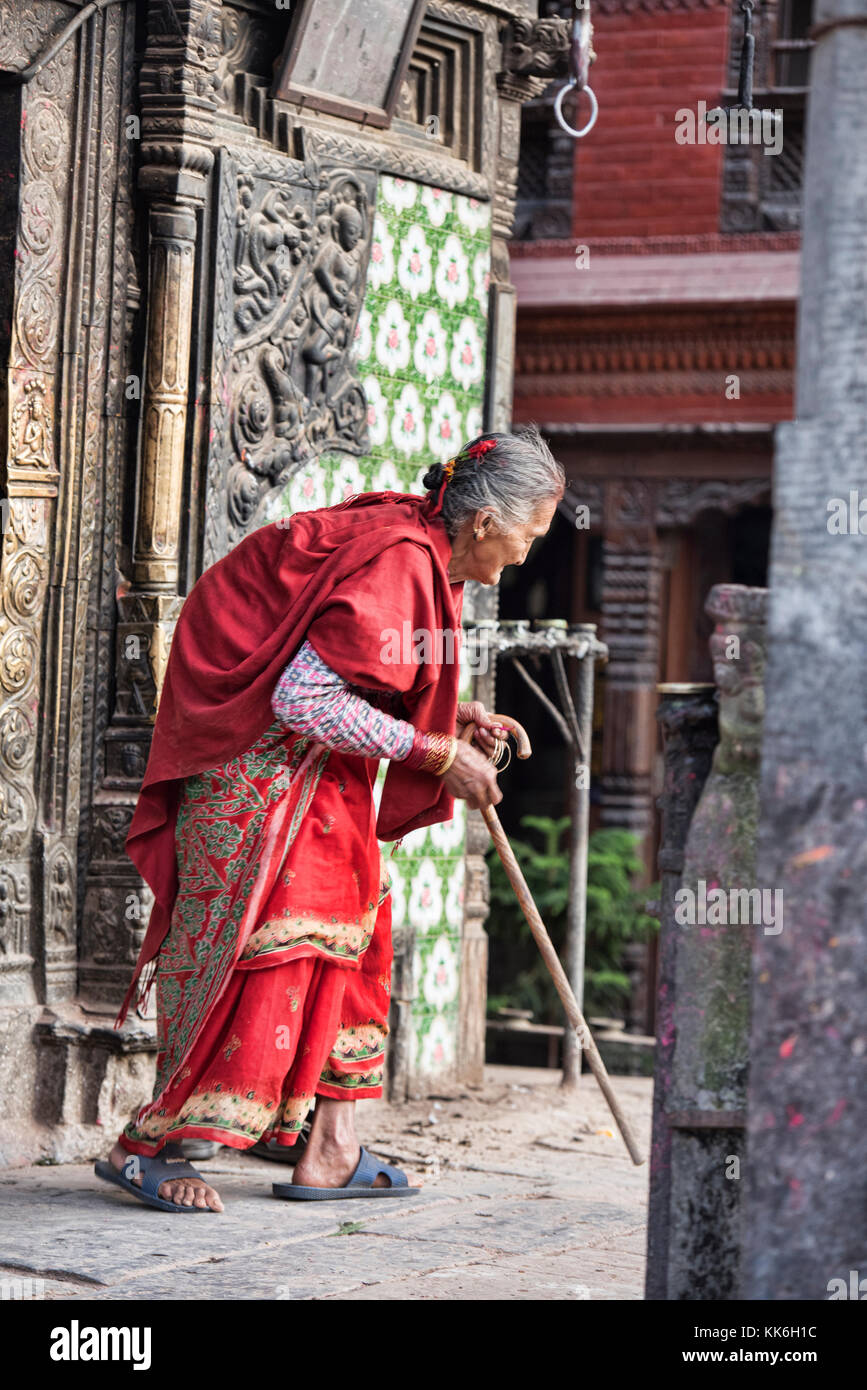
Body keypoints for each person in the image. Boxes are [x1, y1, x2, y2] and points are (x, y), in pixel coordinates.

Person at [94, 426, 564, 1211]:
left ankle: (330, 1148)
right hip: (259, 774)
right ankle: (149, 1145)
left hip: (313, 777)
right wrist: (436, 755)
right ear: (485, 522)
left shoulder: (424, 549)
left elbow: (371, 677)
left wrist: (459, 718)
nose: (525, 554)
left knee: (354, 946)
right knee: (258, 948)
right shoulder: (400, 559)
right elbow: (303, 699)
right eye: (529, 534)